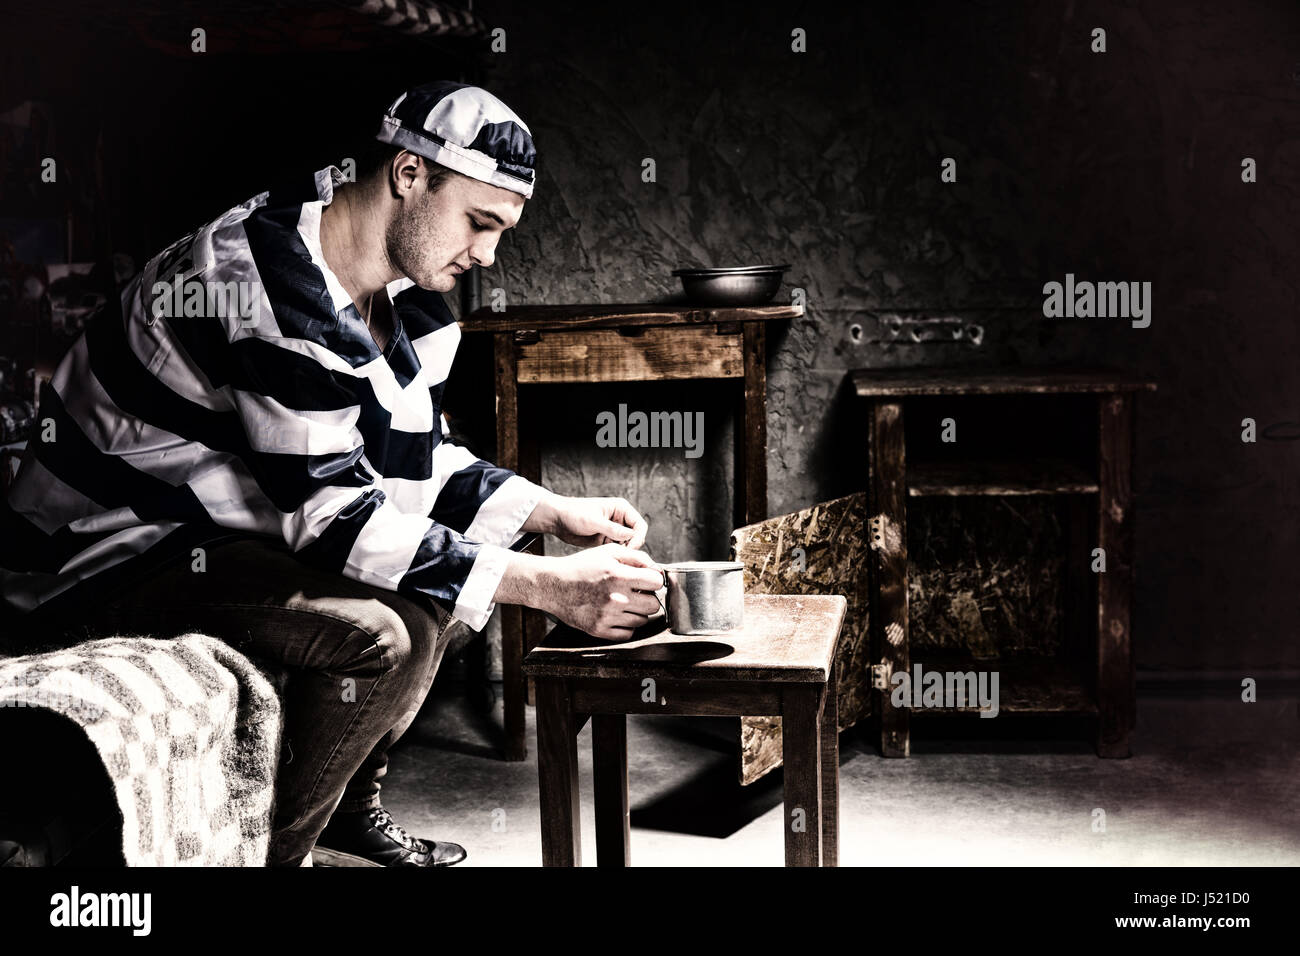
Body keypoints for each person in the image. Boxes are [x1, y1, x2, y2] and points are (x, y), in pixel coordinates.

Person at [0, 81, 665, 867]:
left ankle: (349, 813)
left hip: (208, 528)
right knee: (384, 633)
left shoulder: (414, 288)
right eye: (479, 222)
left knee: (445, 596)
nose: (487, 252)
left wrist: (550, 512)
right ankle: (277, 855)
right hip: (98, 554)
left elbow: (412, 465)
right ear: (409, 174)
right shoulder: (266, 284)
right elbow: (338, 518)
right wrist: (550, 587)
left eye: (502, 231)